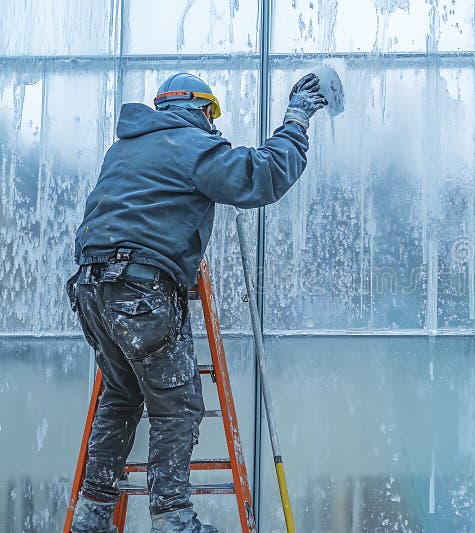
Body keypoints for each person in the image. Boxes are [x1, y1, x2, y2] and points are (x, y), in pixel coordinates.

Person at [67, 72, 327, 533]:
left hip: (91, 287)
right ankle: (172, 519)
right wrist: (296, 119)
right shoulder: (191, 145)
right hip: (140, 289)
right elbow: (261, 176)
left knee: (122, 395)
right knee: (177, 404)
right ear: (203, 110)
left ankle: (92, 517)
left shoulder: (125, 149)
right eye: (213, 115)